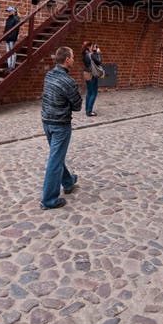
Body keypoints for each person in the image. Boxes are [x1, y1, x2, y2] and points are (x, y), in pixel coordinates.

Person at [40, 46, 82, 209]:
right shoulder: (68, 81)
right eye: (72, 57)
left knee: (56, 155)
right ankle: (49, 200)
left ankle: (68, 181)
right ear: (66, 60)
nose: (73, 59)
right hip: (60, 125)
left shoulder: (49, 75)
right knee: (55, 159)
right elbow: (77, 106)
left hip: (46, 121)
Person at [82, 40, 102, 117]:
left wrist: (94, 52)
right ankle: (89, 111)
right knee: (94, 93)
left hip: (86, 73)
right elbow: (99, 62)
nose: (92, 48)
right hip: (92, 74)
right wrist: (98, 53)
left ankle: (87, 109)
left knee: (89, 92)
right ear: (88, 47)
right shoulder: (91, 55)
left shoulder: (84, 54)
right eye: (91, 46)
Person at [4, 6, 20, 71]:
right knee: (8, 53)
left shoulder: (16, 19)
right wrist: (5, 36)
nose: (8, 12)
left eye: (9, 11)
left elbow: (16, 30)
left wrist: (13, 38)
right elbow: (6, 29)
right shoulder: (8, 19)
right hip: (7, 38)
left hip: (12, 39)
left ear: (13, 11)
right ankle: (8, 66)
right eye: (8, 11)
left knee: (12, 52)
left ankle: (12, 66)